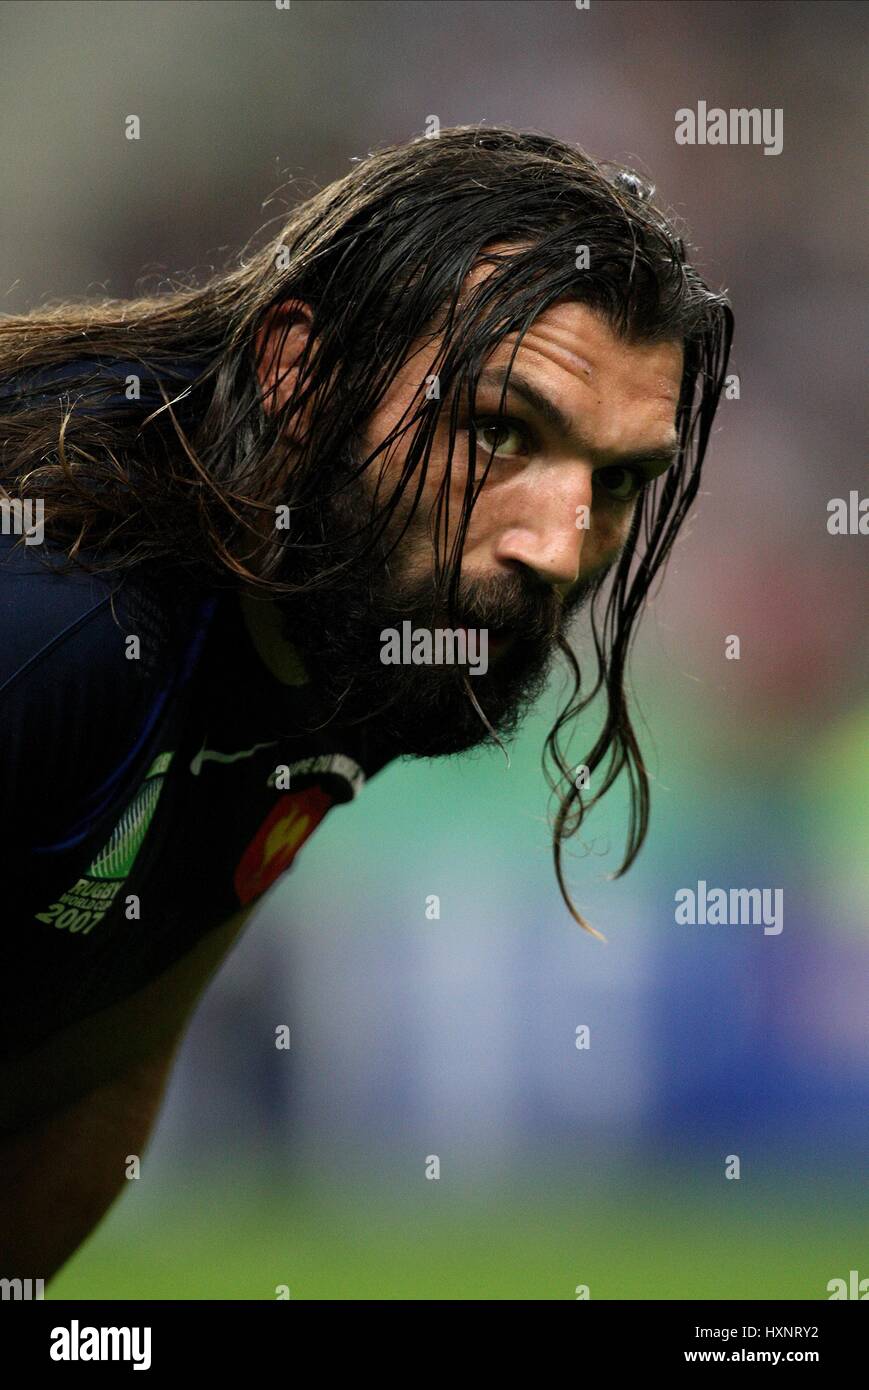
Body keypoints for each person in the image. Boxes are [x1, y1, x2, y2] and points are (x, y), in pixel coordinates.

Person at [0, 125, 732, 1280]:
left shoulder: (358, 614)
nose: (559, 544)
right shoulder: (50, 622)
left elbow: (97, 1058)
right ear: (299, 376)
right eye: (499, 430)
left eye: (618, 480)